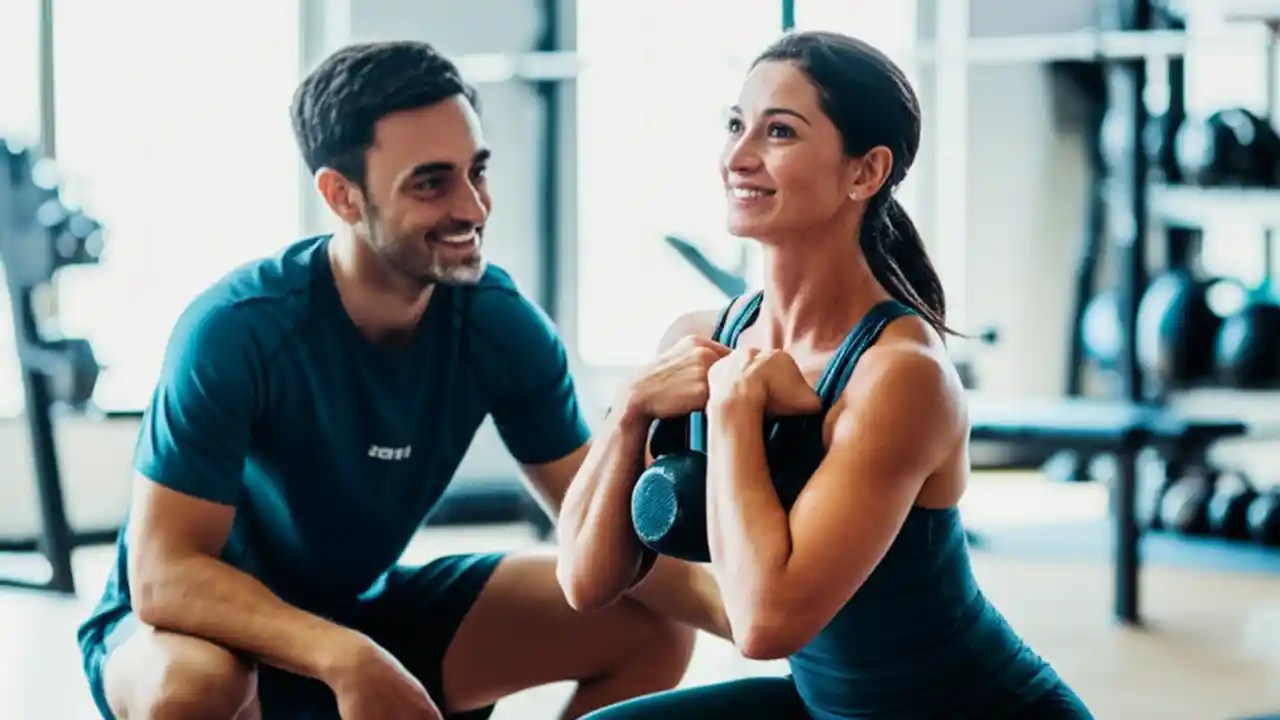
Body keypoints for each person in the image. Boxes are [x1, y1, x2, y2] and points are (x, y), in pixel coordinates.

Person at [75, 40, 728, 720]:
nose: (473, 208)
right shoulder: (237, 330)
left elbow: (601, 525)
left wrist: (760, 616)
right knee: (194, 687)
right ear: (342, 195)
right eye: (431, 183)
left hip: (361, 610)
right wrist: (345, 656)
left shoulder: (499, 326)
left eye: (477, 172)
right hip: (194, 636)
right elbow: (163, 577)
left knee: (651, 625)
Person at [557, 30, 1093, 719]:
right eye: (735, 125)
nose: (739, 157)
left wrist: (733, 408)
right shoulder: (699, 340)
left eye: (778, 132)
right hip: (825, 708)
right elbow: (584, 580)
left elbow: (763, 625)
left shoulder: (900, 376)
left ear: (864, 173)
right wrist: (631, 409)